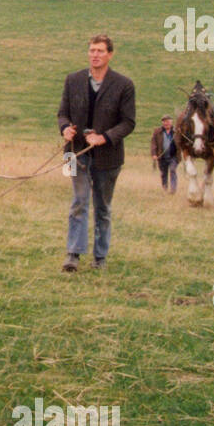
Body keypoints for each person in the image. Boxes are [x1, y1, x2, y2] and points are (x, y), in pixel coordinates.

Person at [57, 33, 136, 272]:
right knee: (79, 201)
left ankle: (100, 257)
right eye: (92, 50)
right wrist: (65, 129)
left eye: (100, 51)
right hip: (74, 153)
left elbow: (129, 122)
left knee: (102, 207)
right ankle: (73, 255)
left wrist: (104, 137)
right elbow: (62, 113)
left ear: (110, 54)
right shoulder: (72, 80)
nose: (95, 55)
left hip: (108, 156)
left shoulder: (124, 85)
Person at [151, 115, 178, 193]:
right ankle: (165, 188)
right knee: (163, 173)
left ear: (171, 122)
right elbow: (153, 143)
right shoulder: (157, 131)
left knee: (173, 170)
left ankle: (173, 190)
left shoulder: (176, 131)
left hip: (173, 156)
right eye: (164, 122)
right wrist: (154, 154)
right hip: (162, 156)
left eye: (168, 121)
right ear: (162, 123)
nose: (166, 123)